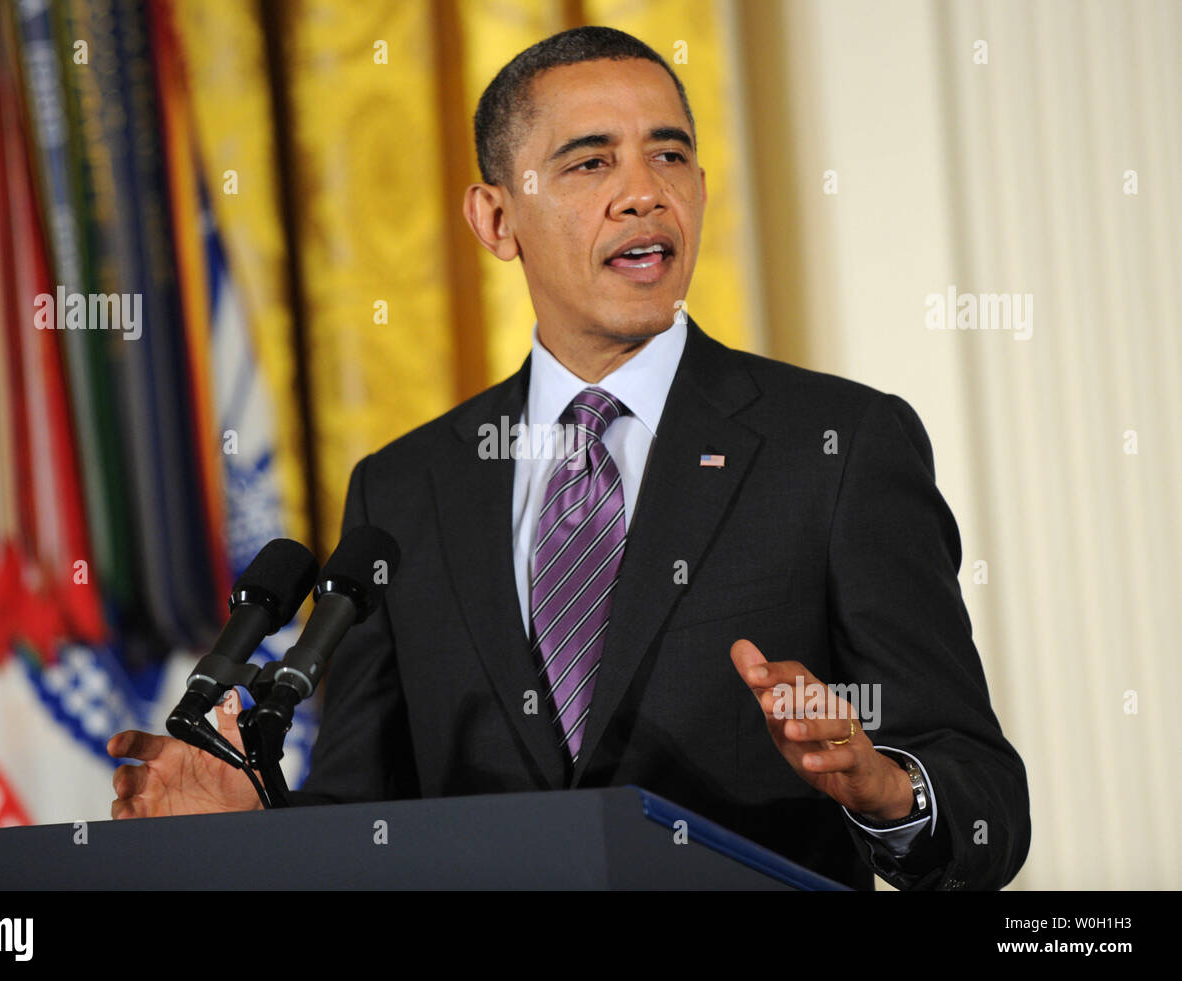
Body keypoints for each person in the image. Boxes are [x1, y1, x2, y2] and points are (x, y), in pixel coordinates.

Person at [109, 26, 1029, 891]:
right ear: (497, 218)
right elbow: (368, 813)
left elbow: (987, 801)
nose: (643, 192)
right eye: (591, 162)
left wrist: (886, 788)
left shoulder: (835, 448)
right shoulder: (405, 490)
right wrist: (254, 826)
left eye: (668, 156)